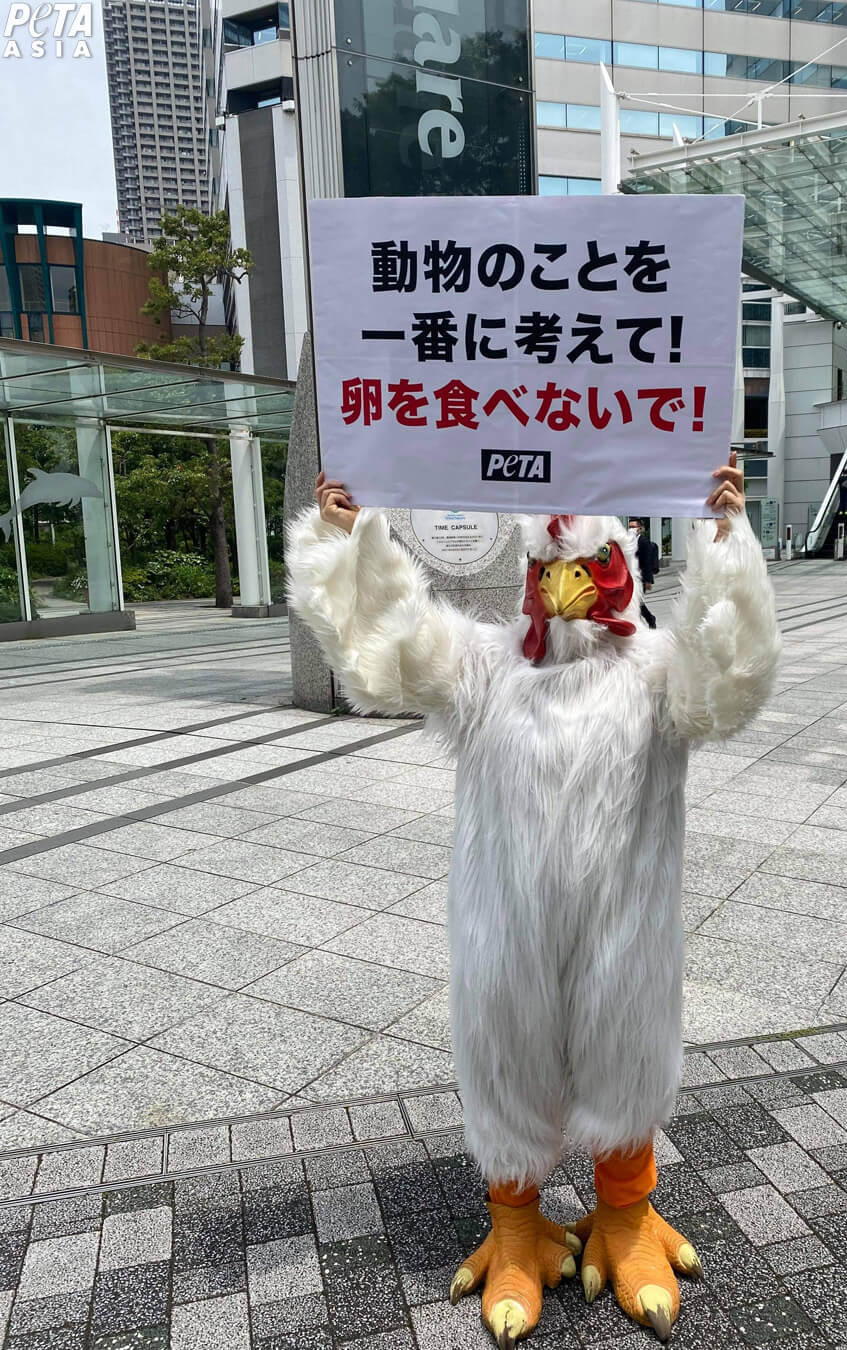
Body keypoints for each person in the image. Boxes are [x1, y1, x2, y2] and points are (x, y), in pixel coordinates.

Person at [286, 457, 780, 1346]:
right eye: (550, 572)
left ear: (621, 570)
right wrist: (349, 540)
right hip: (502, 928)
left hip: (627, 926)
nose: (566, 590)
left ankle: (626, 1210)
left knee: (623, 1042)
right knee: (505, 1052)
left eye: (589, 570)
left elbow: (729, 682)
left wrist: (724, 543)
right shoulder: (486, 667)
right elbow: (392, 653)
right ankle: (514, 1221)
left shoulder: (657, 670)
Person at [628, 517, 658, 629]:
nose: (631, 529)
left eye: (633, 527)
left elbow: (647, 562)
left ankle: (645, 621)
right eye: (629, 527)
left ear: (639, 529)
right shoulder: (628, 542)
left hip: (640, 578)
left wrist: (648, 580)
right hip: (630, 577)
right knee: (635, 602)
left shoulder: (644, 542)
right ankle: (649, 618)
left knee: (636, 601)